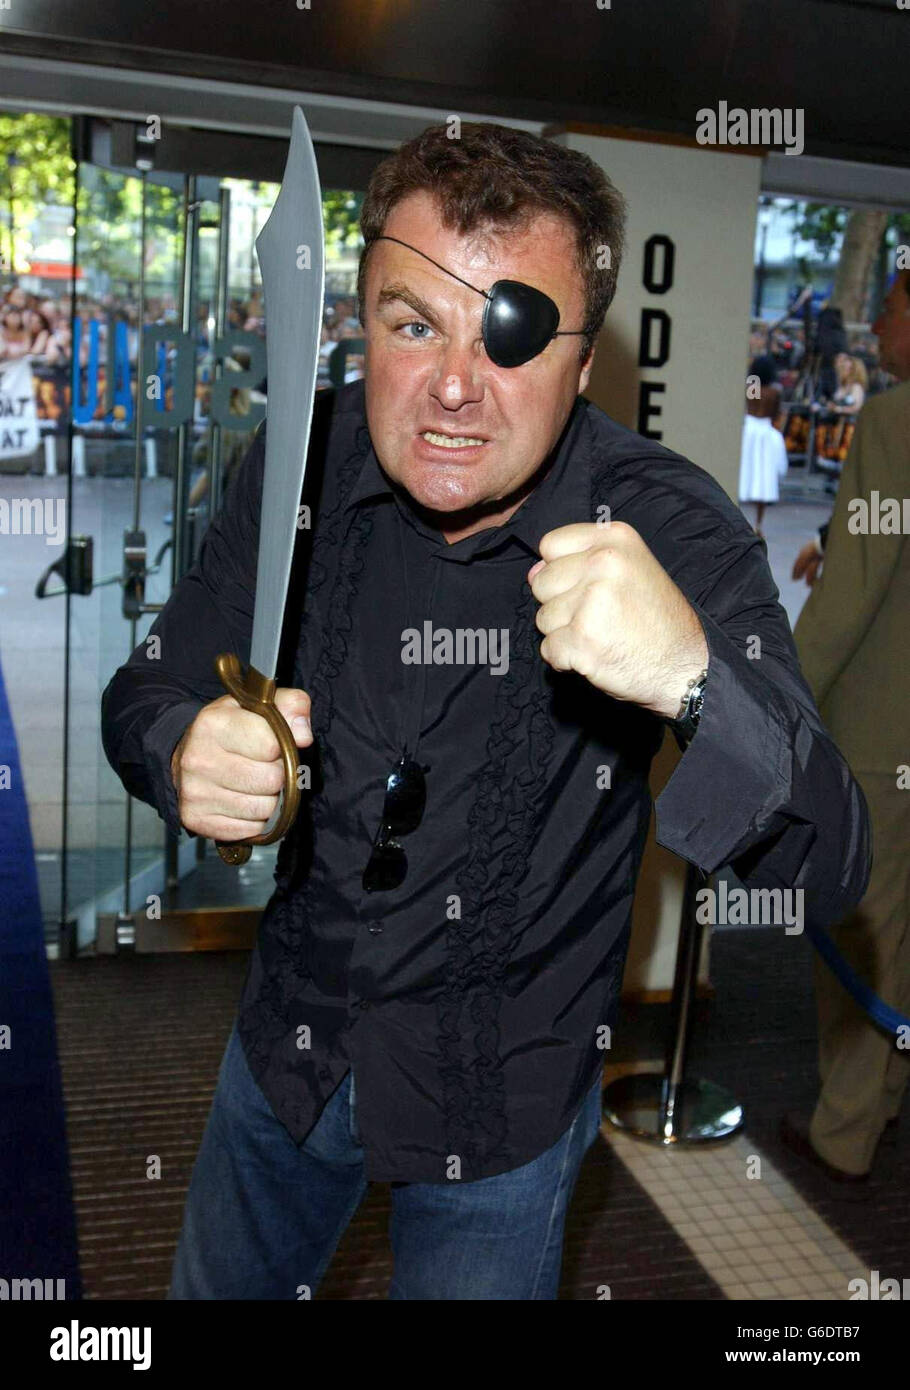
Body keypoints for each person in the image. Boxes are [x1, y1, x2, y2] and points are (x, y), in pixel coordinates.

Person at [101, 122, 871, 1301]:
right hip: (287, 1055)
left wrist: (692, 677)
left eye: (510, 332)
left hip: (496, 1107)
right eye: (414, 323)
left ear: (581, 355)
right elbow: (147, 681)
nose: (455, 383)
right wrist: (177, 746)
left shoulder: (668, 519)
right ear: (363, 321)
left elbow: (835, 858)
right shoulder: (302, 466)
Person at [783, 268, 910, 1190]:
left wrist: (780, 693)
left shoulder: (895, 420)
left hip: (881, 722)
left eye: (894, 306)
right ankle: (887, 1098)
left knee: (866, 919)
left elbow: (857, 589)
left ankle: (846, 1131)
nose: (874, 321)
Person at [738, 357, 788, 537]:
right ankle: (758, 523)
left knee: (745, 472)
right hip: (766, 432)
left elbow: (748, 406)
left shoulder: (752, 387)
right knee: (763, 477)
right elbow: (775, 415)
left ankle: (738, 519)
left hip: (749, 430)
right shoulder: (774, 392)